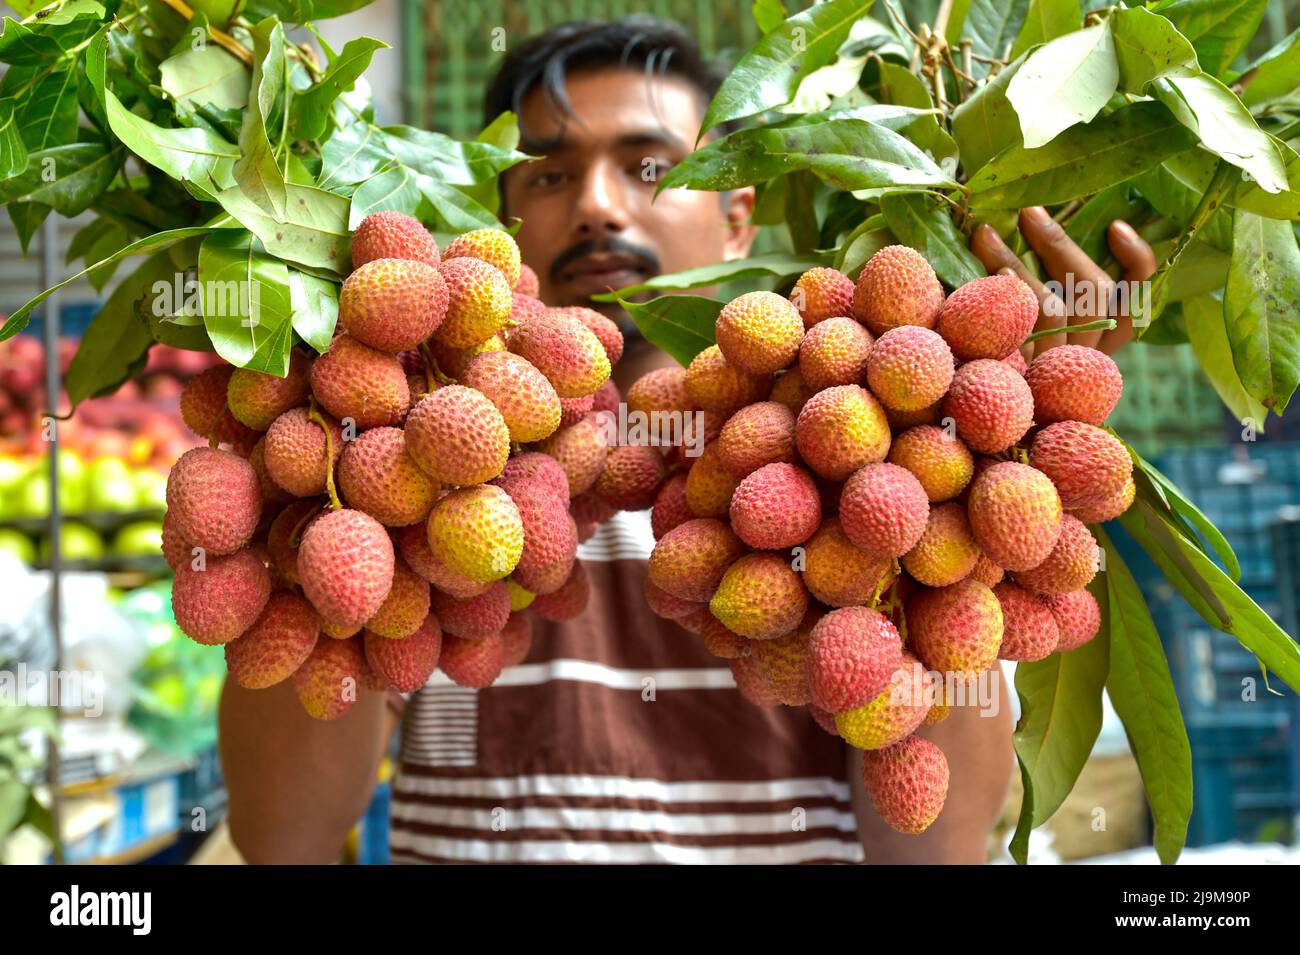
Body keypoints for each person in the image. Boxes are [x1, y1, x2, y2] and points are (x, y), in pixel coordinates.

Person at [218, 16, 1156, 865]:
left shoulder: (838, 440)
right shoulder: (427, 460)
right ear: (498, 222)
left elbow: (932, 851)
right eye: (547, 172)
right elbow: (283, 837)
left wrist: (1001, 445)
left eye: (651, 165)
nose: (596, 203)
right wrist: (299, 450)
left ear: (735, 210)